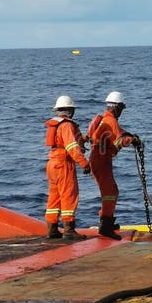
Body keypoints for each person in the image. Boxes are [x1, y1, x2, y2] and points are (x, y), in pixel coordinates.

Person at [85, 91, 141, 240]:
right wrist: (132, 141)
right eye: (121, 108)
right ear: (116, 107)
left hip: (100, 158)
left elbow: (120, 132)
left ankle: (107, 220)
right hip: (101, 159)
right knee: (109, 192)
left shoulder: (107, 119)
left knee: (112, 190)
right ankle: (105, 227)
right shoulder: (111, 121)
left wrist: (130, 135)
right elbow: (119, 140)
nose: (122, 111)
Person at [44, 95, 91, 240]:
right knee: (69, 195)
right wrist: (84, 163)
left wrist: (82, 138)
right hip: (64, 164)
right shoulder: (66, 125)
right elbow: (71, 147)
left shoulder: (57, 124)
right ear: (70, 110)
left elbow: (63, 142)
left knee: (54, 198)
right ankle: (69, 230)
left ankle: (52, 229)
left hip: (52, 164)